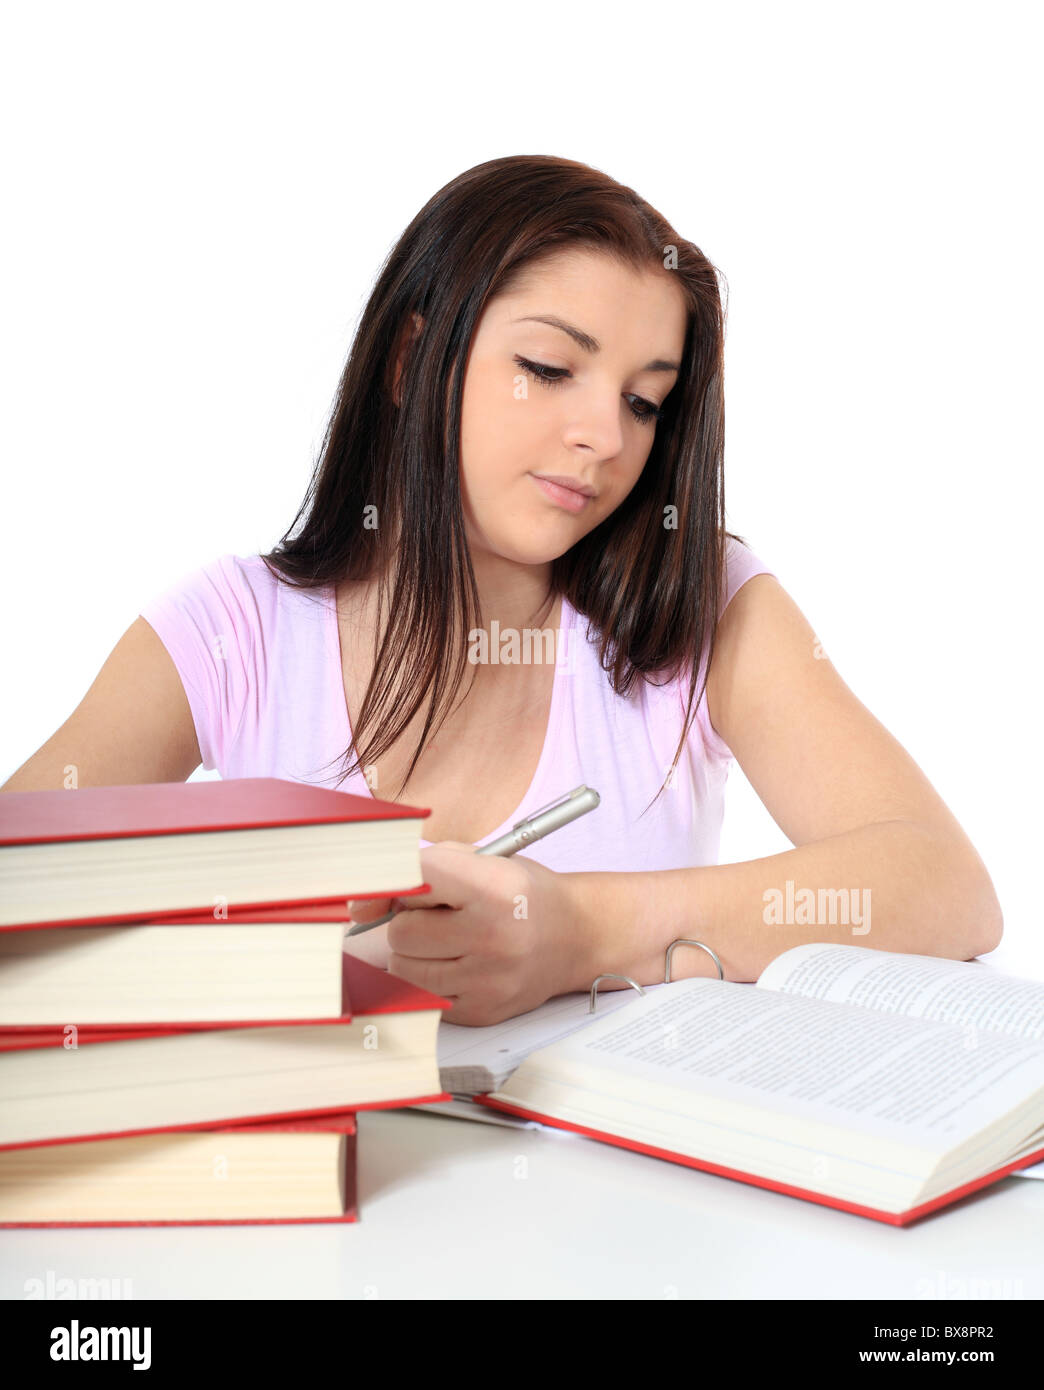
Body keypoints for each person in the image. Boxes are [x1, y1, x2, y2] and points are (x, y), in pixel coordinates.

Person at [1, 155, 1002, 1025]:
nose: (605, 438)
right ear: (410, 361)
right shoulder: (232, 632)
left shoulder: (710, 609)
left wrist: (583, 931)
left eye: (644, 400)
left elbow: (947, 888)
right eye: (549, 367)